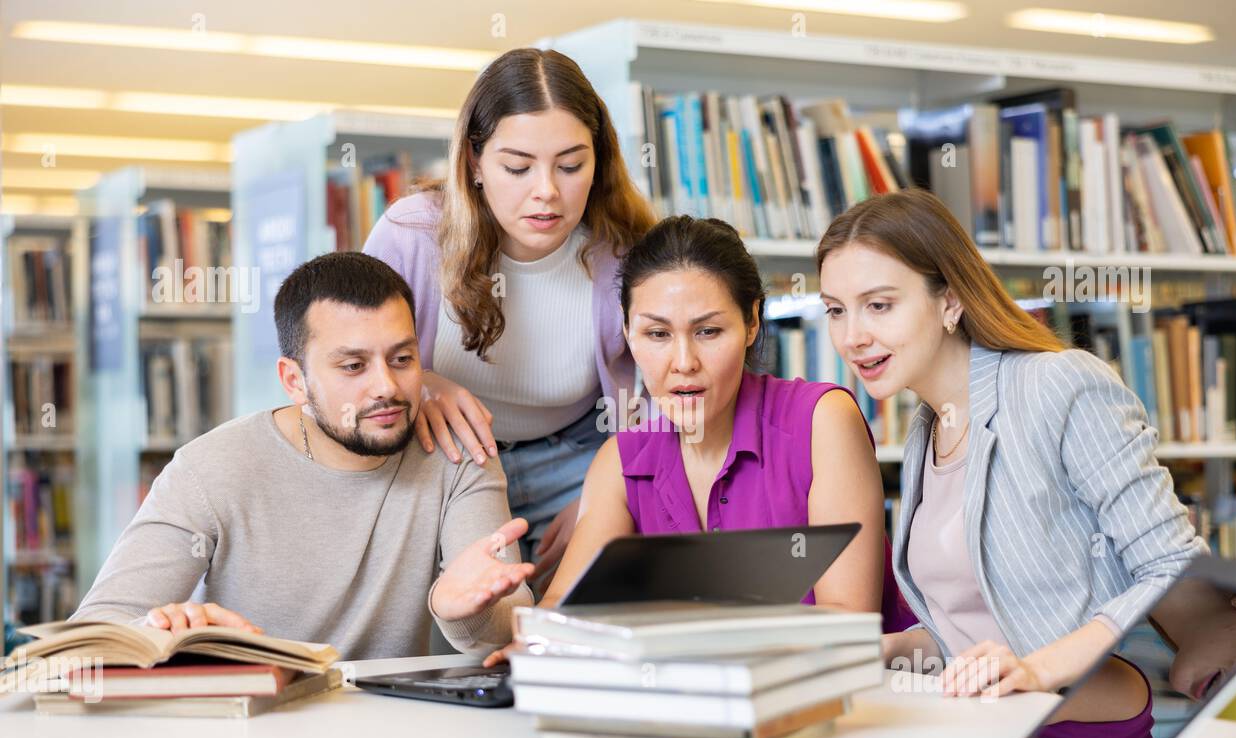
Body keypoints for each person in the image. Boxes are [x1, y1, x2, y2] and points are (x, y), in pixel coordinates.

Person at [817, 188, 1208, 738]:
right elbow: (979, 629)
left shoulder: (1058, 385)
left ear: (948, 300)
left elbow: (1173, 564)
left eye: (878, 305)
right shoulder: (928, 428)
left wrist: (1034, 669)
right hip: (984, 729)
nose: (852, 337)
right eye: (836, 310)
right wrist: (891, 651)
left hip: (1074, 734)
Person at [485, 215, 916, 667]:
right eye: (657, 334)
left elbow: (845, 626)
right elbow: (562, 618)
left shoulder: (821, 422)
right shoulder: (623, 462)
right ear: (628, 333)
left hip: (852, 710)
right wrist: (530, 648)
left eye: (708, 332)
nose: (683, 362)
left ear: (751, 323)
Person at [69, 252, 533, 660]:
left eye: (401, 359)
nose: (387, 388)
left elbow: (510, 631)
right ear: (294, 381)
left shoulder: (458, 451)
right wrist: (160, 635)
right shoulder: (211, 468)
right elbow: (90, 635)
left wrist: (464, 613)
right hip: (251, 737)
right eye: (353, 366)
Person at [364, 47, 656, 594]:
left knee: (581, 626)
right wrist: (420, 382)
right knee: (474, 621)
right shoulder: (410, 235)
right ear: (474, 162)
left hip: (576, 462)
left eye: (571, 165)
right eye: (517, 167)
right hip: (442, 462)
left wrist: (607, 497)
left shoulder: (624, 249)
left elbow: (668, 391)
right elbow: (349, 360)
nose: (546, 190)